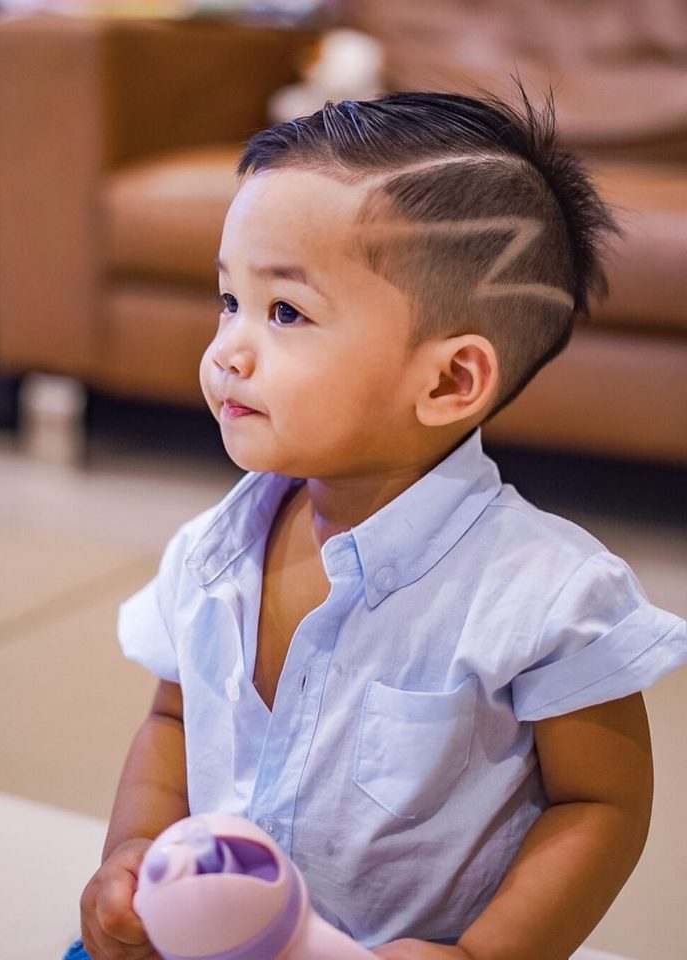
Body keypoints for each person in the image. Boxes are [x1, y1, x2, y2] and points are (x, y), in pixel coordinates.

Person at [69, 91, 687, 960]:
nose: (228, 351)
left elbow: (601, 805)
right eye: (228, 299)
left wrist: (478, 956)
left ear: (448, 382)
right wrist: (131, 853)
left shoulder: (545, 598)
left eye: (285, 312)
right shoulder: (213, 551)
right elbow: (173, 722)